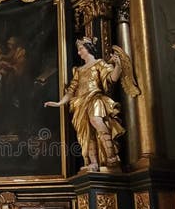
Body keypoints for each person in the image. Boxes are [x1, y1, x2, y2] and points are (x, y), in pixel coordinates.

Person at [45, 38, 126, 170]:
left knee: (96, 120)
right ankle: (93, 162)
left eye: (81, 49)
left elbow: (112, 78)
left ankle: (111, 155)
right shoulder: (79, 70)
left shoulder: (99, 63)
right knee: (85, 133)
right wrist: (59, 103)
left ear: (88, 48)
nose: (79, 52)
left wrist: (118, 65)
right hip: (80, 103)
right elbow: (71, 90)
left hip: (94, 98)